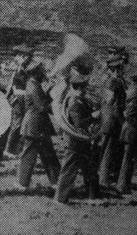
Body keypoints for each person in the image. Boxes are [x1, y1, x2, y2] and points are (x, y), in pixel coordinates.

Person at [54, 68, 101, 204]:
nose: (86, 89)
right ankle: (60, 199)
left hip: (80, 142)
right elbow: (79, 123)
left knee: (90, 169)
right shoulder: (74, 102)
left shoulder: (79, 99)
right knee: (69, 171)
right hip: (75, 143)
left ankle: (94, 197)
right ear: (79, 87)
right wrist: (93, 116)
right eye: (85, 86)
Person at [16, 60, 61, 190]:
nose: (44, 74)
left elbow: (42, 102)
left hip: (36, 125)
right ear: (36, 73)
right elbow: (42, 106)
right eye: (42, 72)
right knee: (35, 155)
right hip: (35, 125)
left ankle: (56, 182)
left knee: (46, 154)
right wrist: (55, 100)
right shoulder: (34, 86)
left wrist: (50, 91)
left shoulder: (33, 84)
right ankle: (56, 182)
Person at [97, 53, 127, 187]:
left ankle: (107, 179)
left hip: (110, 120)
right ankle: (104, 181)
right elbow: (111, 104)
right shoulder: (112, 82)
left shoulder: (115, 81)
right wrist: (122, 121)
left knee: (111, 150)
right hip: (111, 121)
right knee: (108, 151)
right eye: (121, 68)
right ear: (116, 69)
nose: (123, 70)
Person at [4, 44, 34, 158]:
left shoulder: (21, 68)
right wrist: (6, 97)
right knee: (17, 124)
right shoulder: (21, 68)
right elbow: (12, 85)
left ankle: (16, 149)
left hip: (22, 98)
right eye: (26, 56)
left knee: (21, 124)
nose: (28, 58)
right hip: (19, 99)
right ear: (23, 56)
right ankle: (9, 149)